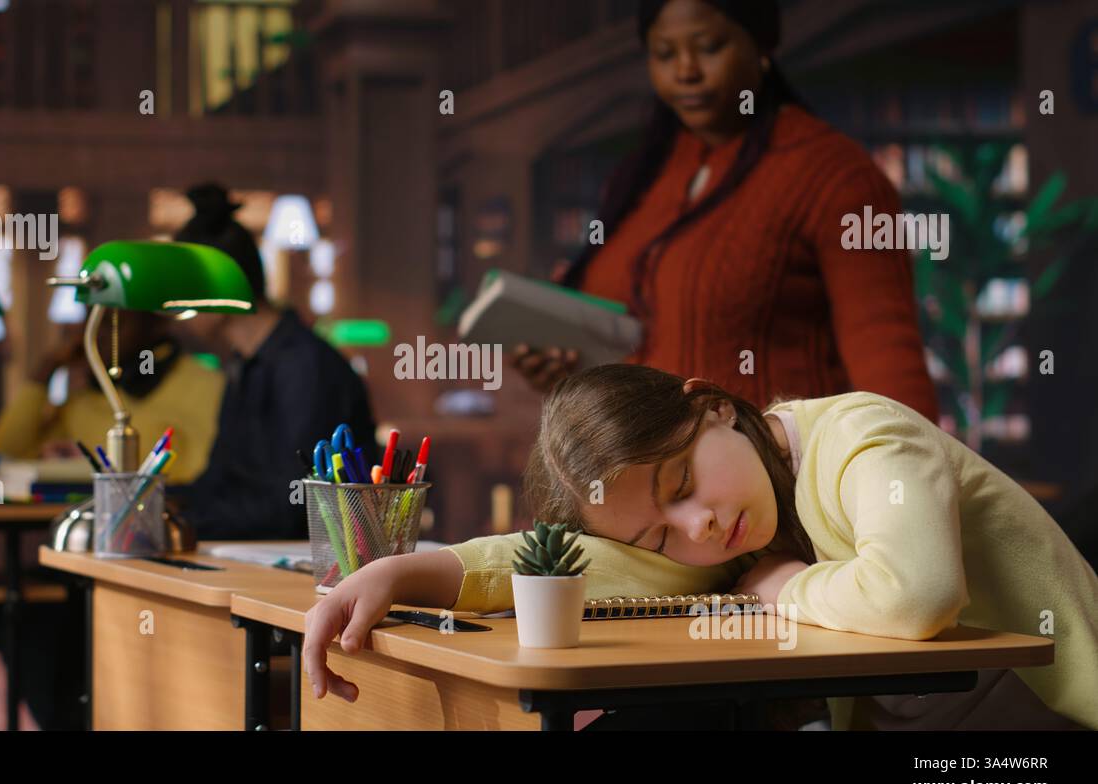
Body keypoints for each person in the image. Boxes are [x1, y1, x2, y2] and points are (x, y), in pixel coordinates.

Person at [302, 364, 1097, 730]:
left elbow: (917, 594)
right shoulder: (730, 531)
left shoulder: (865, 434)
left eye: (682, 481)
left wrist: (782, 587)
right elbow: (560, 561)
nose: (698, 528)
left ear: (712, 405)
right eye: (658, 533)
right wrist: (399, 569)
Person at [511, 0, 940, 424]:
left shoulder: (837, 176)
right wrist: (564, 368)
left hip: (777, 486)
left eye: (709, 46)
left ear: (760, 45)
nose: (685, 71)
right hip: (639, 481)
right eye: (664, 54)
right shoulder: (642, 178)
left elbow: (892, 379)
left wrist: (904, 483)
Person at [175, 183, 377, 539]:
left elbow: (292, 506)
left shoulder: (305, 369)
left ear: (213, 290)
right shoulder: (245, 363)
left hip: (311, 567)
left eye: (178, 293)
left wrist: (187, 523)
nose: (174, 309)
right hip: (249, 552)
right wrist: (154, 504)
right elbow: (219, 479)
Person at [0, 311, 224, 484]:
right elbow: (4, 456)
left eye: (112, 324)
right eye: (90, 321)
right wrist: (44, 372)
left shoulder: (207, 385)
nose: (95, 334)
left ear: (155, 325)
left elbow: (204, 476)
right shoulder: (84, 400)